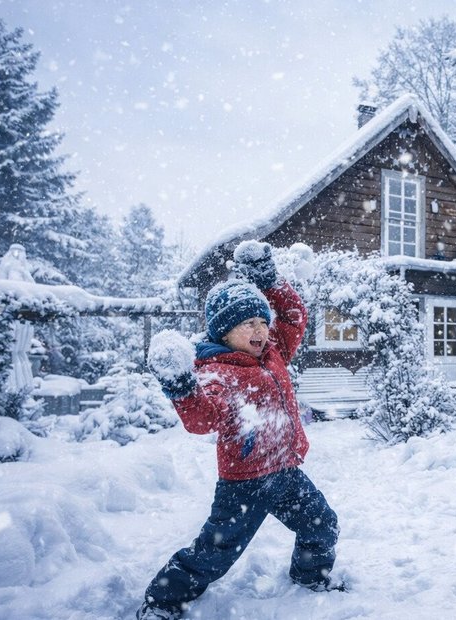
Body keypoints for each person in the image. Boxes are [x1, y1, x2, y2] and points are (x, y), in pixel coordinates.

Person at [137, 241, 341, 620]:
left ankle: (310, 575)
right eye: (249, 324)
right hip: (244, 482)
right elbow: (201, 420)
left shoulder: (272, 352)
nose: (261, 330)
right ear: (224, 332)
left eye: (263, 322)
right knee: (214, 554)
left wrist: (269, 281)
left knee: (321, 523)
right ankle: (162, 601)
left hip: (286, 472)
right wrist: (181, 384)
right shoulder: (218, 373)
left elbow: (294, 316)